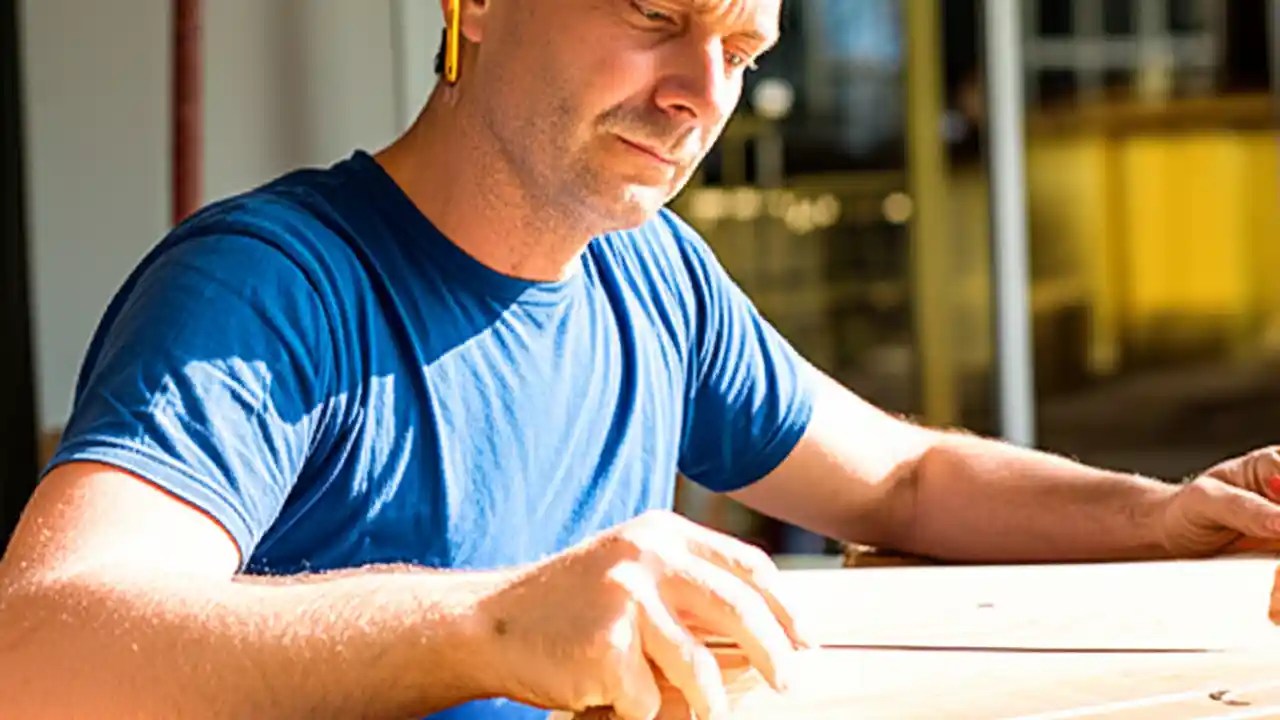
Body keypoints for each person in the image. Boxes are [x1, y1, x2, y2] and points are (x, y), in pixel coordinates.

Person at [2, 1, 1279, 718]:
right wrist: (490, 626)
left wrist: (1160, 515)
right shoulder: (270, 284)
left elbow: (897, 481)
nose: (696, 95)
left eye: (740, 51)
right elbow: (36, 646)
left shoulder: (644, 272)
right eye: (657, 15)